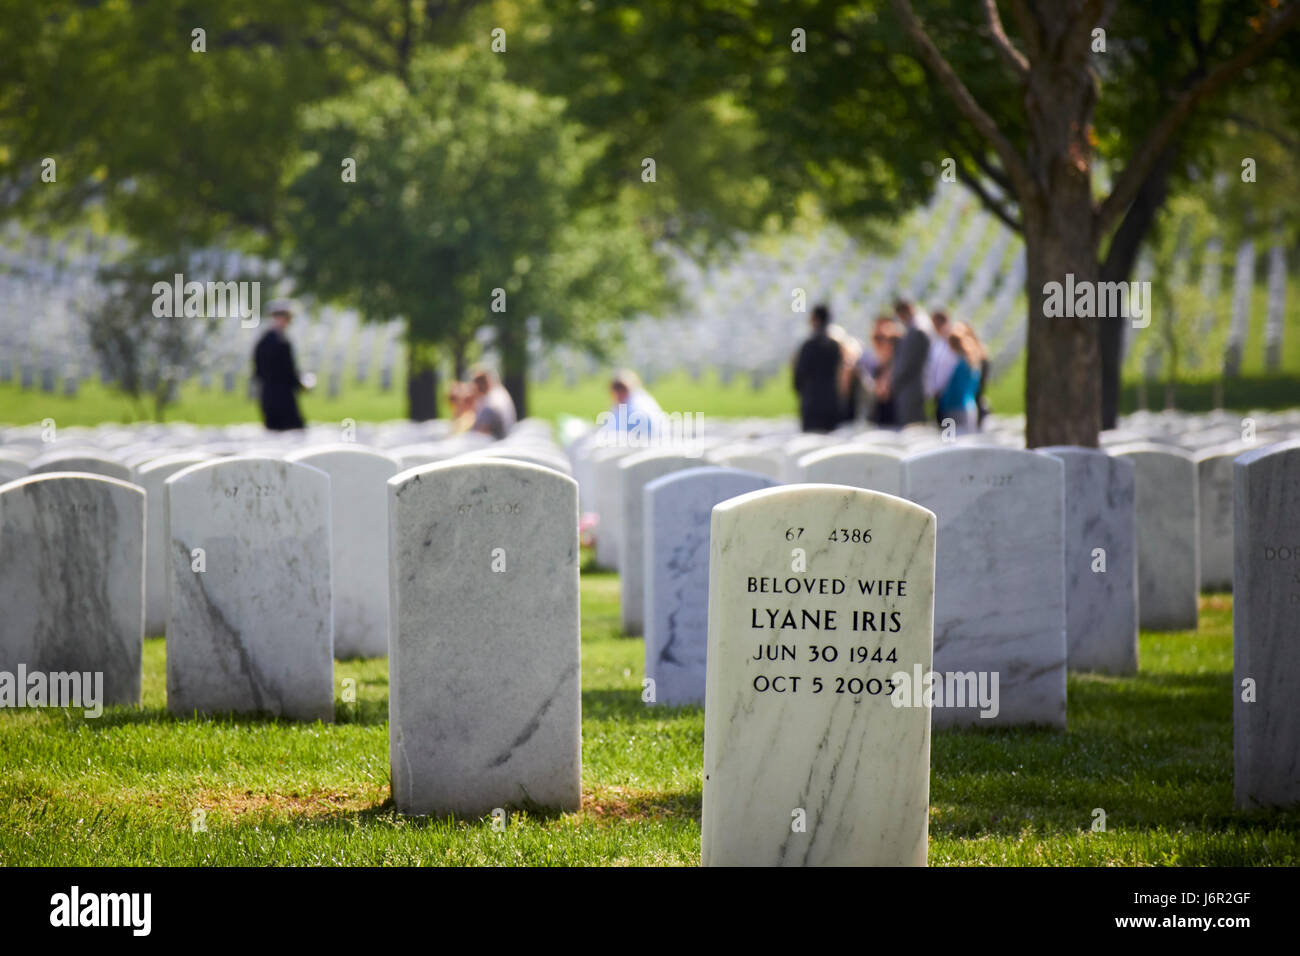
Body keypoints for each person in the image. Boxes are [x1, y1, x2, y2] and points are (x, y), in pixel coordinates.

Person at [252, 299, 309, 431]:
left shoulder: (262, 341)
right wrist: (300, 384)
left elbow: (258, 371)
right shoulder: (281, 343)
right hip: (283, 397)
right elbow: (288, 371)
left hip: (267, 394)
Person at [793, 304, 843, 433]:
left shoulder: (808, 346)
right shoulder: (835, 346)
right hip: (831, 405)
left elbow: (798, 377)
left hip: (812, 406)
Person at [939, 322, 984, 433]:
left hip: (955, 407)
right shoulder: (971, 361)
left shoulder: (959, 364)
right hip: (970, 406)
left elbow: (955, 390)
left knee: (952, 442)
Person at [890, 300, 930, 426]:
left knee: (913, 429)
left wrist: (894, 382)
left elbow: (908, 364)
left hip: (911, 390)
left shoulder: (917, 331)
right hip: (909, 389)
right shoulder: (913, 329)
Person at [857, 315, 901, 427]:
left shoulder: (896, 364)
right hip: (876, 415)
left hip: (894, 415)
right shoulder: (871, 360)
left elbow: (883, 392)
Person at [603, 369, 667, 442]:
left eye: (621, 389)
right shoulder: (625, 404)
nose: (618, 393)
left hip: (647, 446)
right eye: (616, 389)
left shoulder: (638, 406)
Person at [925, 310, 961, 427]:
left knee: (951, 437)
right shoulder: (937, 344)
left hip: (951, 398)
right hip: (941, 398)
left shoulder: (953, 344)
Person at [471, 366, 516, 440]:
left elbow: (482, 431)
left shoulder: (493, 399)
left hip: (498, 441)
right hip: (504, 437)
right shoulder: (498, 393)